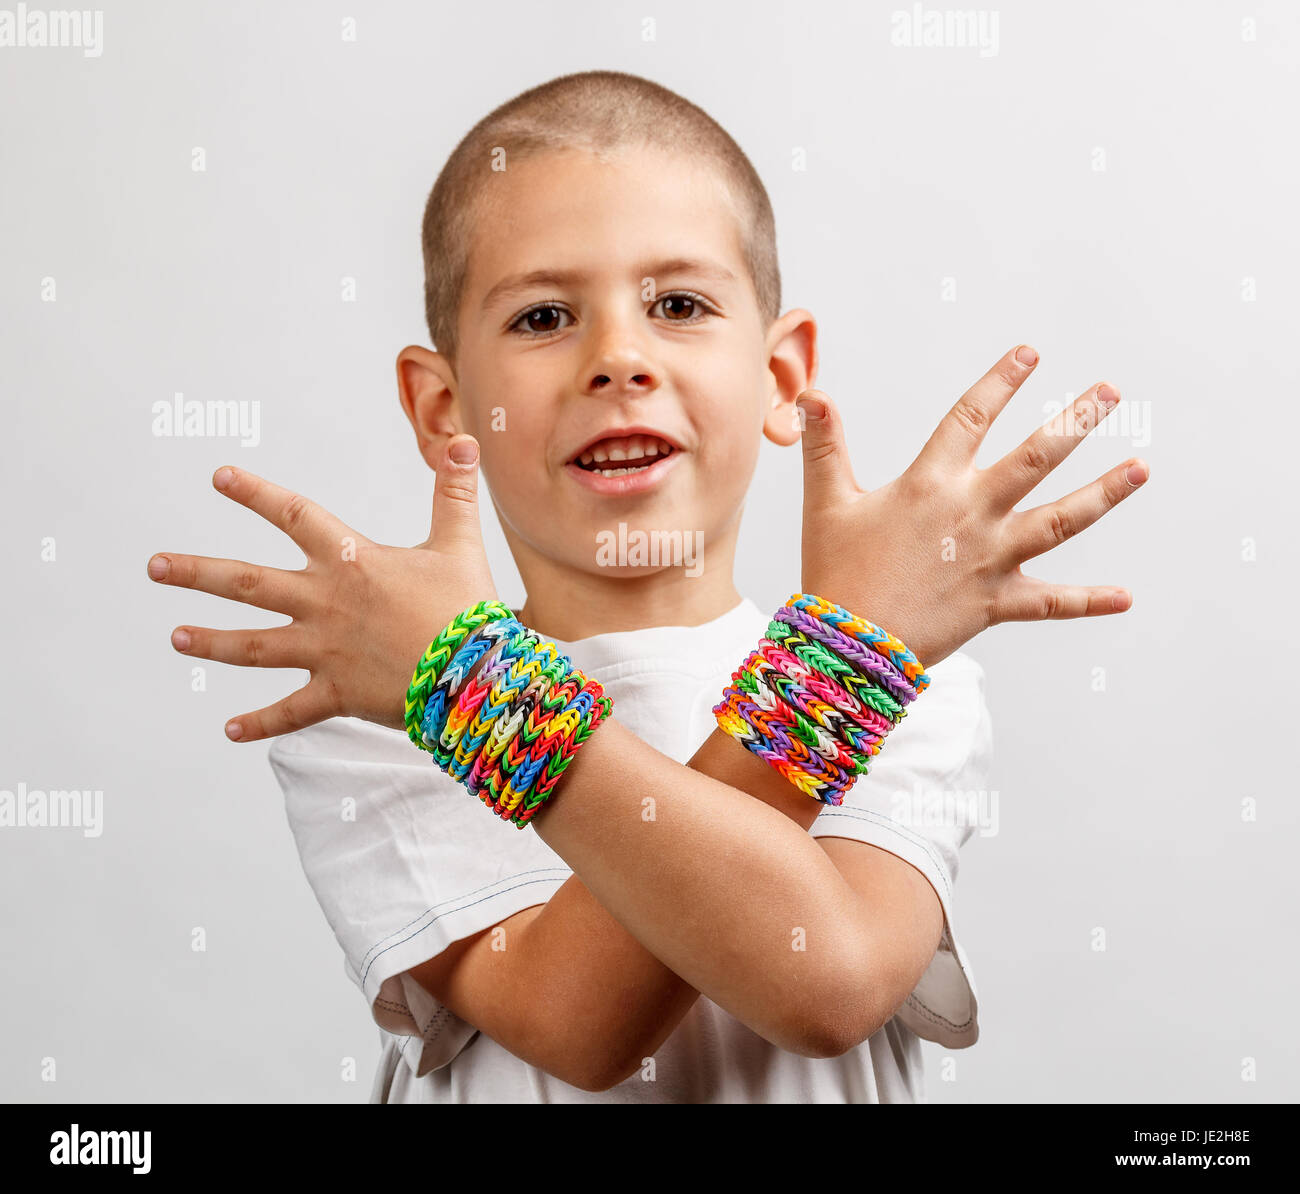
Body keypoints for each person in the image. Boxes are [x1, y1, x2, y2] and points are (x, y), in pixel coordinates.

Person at [147, 70, 1148, 1103]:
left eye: (677, 304)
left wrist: (843, 655)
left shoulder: (907, 678)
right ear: (444, 405)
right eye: (542, 317)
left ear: (780, 377)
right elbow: (576, 1024)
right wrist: (464, 685)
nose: (618, 357)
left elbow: (826, 985)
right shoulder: (381, 706)